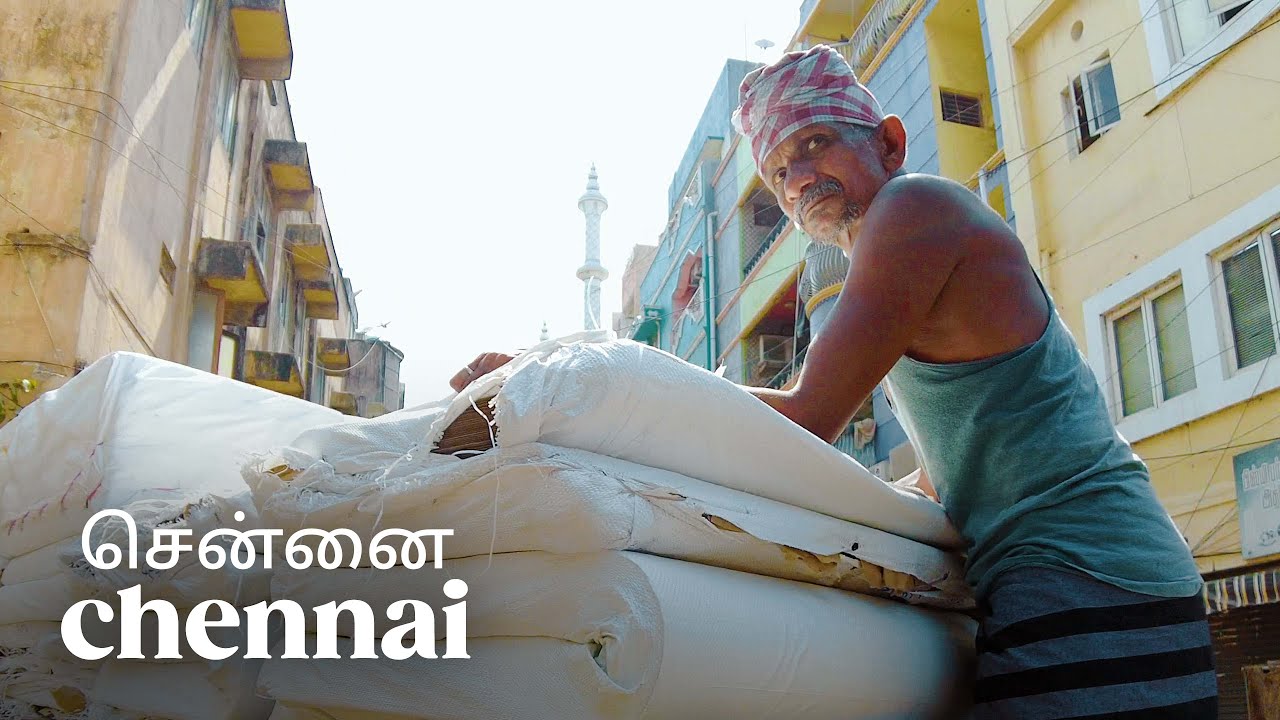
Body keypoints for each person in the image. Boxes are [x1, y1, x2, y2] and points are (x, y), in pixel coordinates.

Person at [451, 46, 1218, 718]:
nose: (799, 178)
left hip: (1088, 579)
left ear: (888, 142)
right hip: (1091, 577)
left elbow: (806, 417)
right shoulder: (898, 250)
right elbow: (983, 442)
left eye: (816, 143)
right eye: (780, 170)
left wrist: (574, 376)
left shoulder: (916, 209)